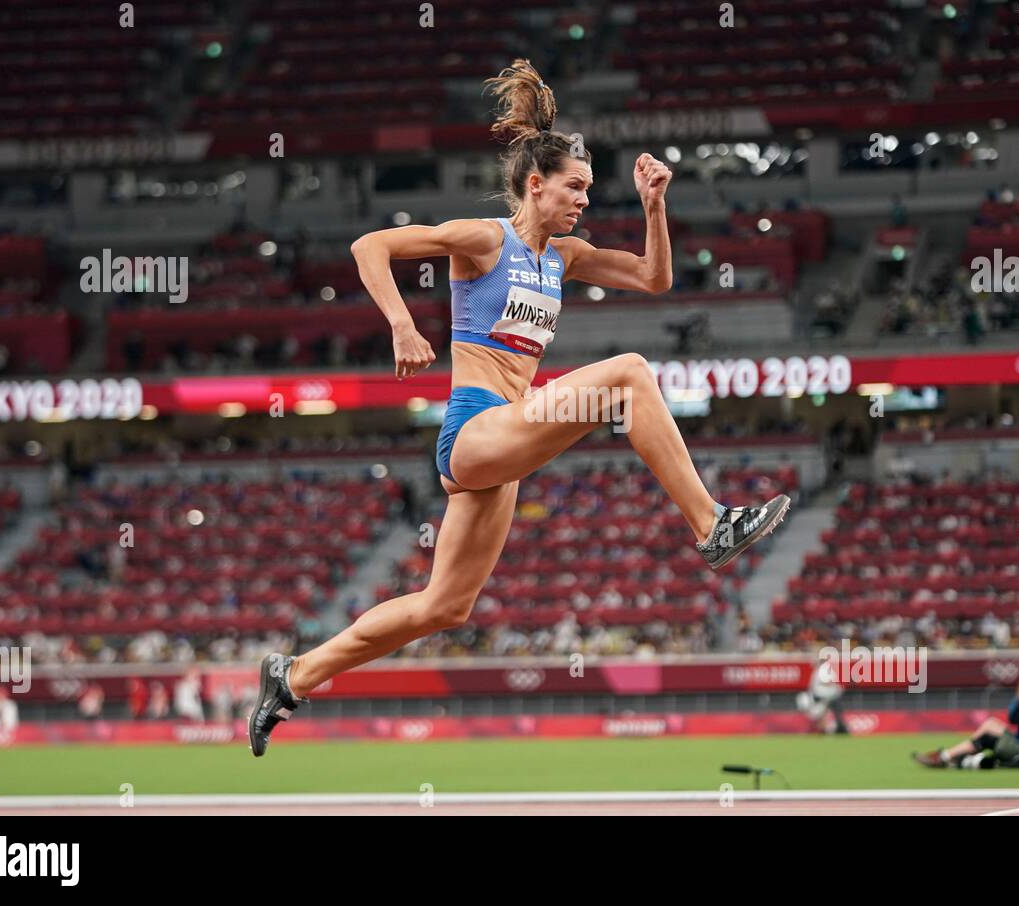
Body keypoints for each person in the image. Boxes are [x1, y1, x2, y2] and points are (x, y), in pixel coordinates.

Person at [249, 59, 790, 756]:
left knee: (445, 606)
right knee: (628, 373)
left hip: (502, 446)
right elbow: (370, 246)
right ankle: (711, 523)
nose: (585, 201)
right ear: (536, 186)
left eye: (589, 190)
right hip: (473, 429)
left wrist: (654, 205)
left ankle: (293, 674)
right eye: (575, 188)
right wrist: (402, 324)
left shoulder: (562, 257)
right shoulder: (485, 241)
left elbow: (653, 278)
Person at [913, 664, 1019, 768]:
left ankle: (946, 757)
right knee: (991, 724)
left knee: (986, 738)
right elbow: (1012, 718)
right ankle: (949, 757)